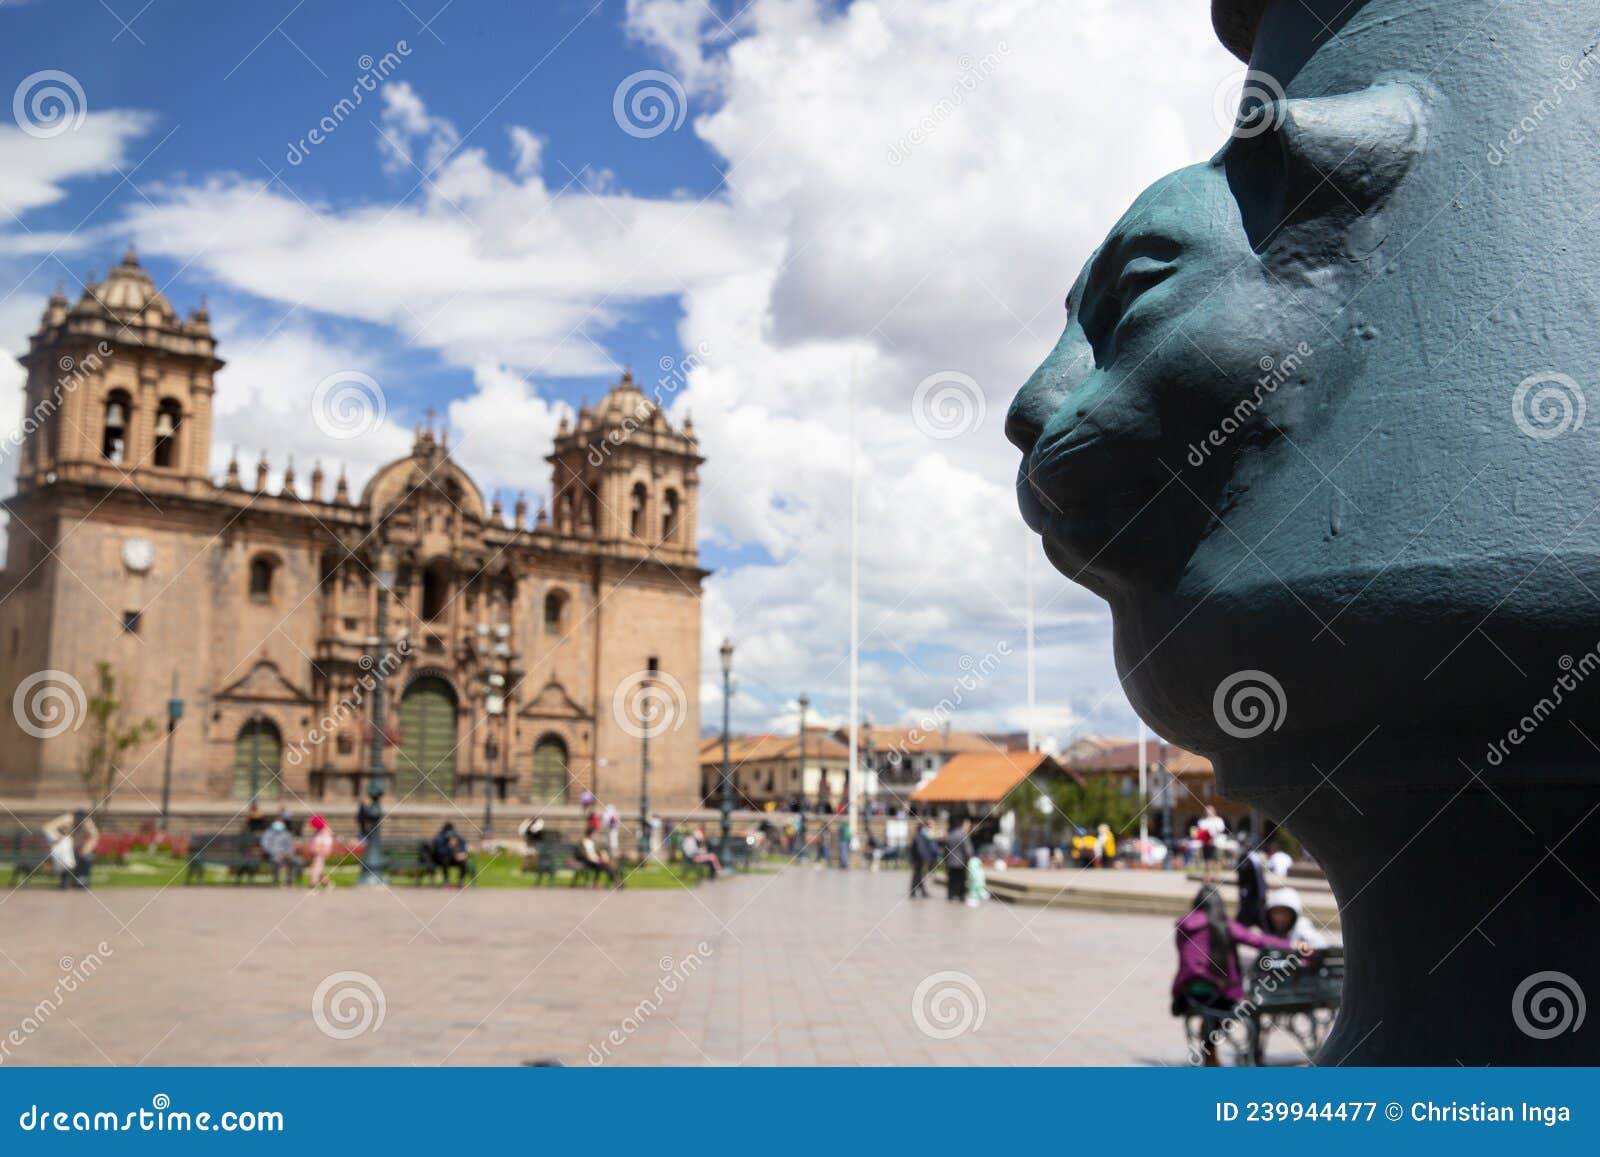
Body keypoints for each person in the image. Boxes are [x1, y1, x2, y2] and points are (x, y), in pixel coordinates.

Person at [1173, 886, 1304, 1066]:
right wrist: (1292, 945)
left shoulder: (1185, 926)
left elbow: (1186, 960)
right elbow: (1258, 941)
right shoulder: (1224, 924)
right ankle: (1212, 1052)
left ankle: (1209, 1052)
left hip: (1188, 992)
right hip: (1218, 993)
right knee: (1227, 1004)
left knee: (1213, 1010)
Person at [43, 810, 98, 889]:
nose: (79, 822)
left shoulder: (87, 822)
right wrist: (58, 837)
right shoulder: (66, 819)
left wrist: (87, 848)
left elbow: (94, 836)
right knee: (65, 859)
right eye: (77, 820)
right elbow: (47, 827)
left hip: (78, 848)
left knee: (88, 858)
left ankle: (81, 880)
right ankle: (64, 881)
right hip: (63, 848)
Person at [1235, 839, 1268, 929]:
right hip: (1248, 891)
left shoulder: (1256, 857)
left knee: (1258, 914)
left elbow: (1260, 876)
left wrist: (1263, 890)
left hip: (1257, 892)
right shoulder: (1245, 857)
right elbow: (1241, 872)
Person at [260, 819, 299, 886]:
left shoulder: (286, 834)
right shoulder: (268, 833)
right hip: (274, 855)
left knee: (298, 862)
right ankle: (276, 881)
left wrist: (288, 853)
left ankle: (289, 880)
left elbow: (290, 846)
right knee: (277, 861)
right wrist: (277, 853)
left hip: (286, 855)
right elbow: (266, 846)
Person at [430, 821, 471, 886]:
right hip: (442, 859)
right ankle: (446, 881)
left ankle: (460, 881)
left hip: (455, 858)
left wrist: (461, 854)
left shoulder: (458, 837)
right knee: (445, 861)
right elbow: (439, 852)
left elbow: (463, 849)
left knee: (463, 863)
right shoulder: (440, 837)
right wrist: (449, 846)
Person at [945, 819, 974, 902]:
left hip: (950, 861)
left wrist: (946, 860)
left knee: (952, 879)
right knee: (961, 879)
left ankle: (951, 895)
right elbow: (968, 850)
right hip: (961, 861)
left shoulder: (950, 834)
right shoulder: (963, 835)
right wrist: (969, 858)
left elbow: (946, 849)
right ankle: (961, 896)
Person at [1195, 806, 1225, 882]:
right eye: (1207, 810)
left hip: (1216, 843)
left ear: (1214, 811)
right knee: (1206, 862)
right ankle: (1206, 878)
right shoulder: (1203, 821)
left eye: (1210, 810)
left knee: (1217, 861)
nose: (1209, 812)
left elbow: (1221, 829)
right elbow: (1200, 831)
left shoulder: (1218, 820)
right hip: (1206, 844)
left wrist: (1212, 831)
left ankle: (1217, 878)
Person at [305, 814, 334, 891]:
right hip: (316, 852)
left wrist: (321, 850)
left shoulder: (326, 832)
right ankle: (327, 883)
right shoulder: (318, 831)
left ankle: (313, 884)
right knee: (319, 869)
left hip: (320, 852)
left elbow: (327, 843)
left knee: (316, 868)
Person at [909, 820, 937, 898]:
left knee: (918, 875)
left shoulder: (918, 835)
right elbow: (920, 849)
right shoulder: (920, 836)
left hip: (917, 859)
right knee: (917, 875)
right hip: (919, 859)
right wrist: (925, 858)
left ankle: (921, 892)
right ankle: (914, 892)